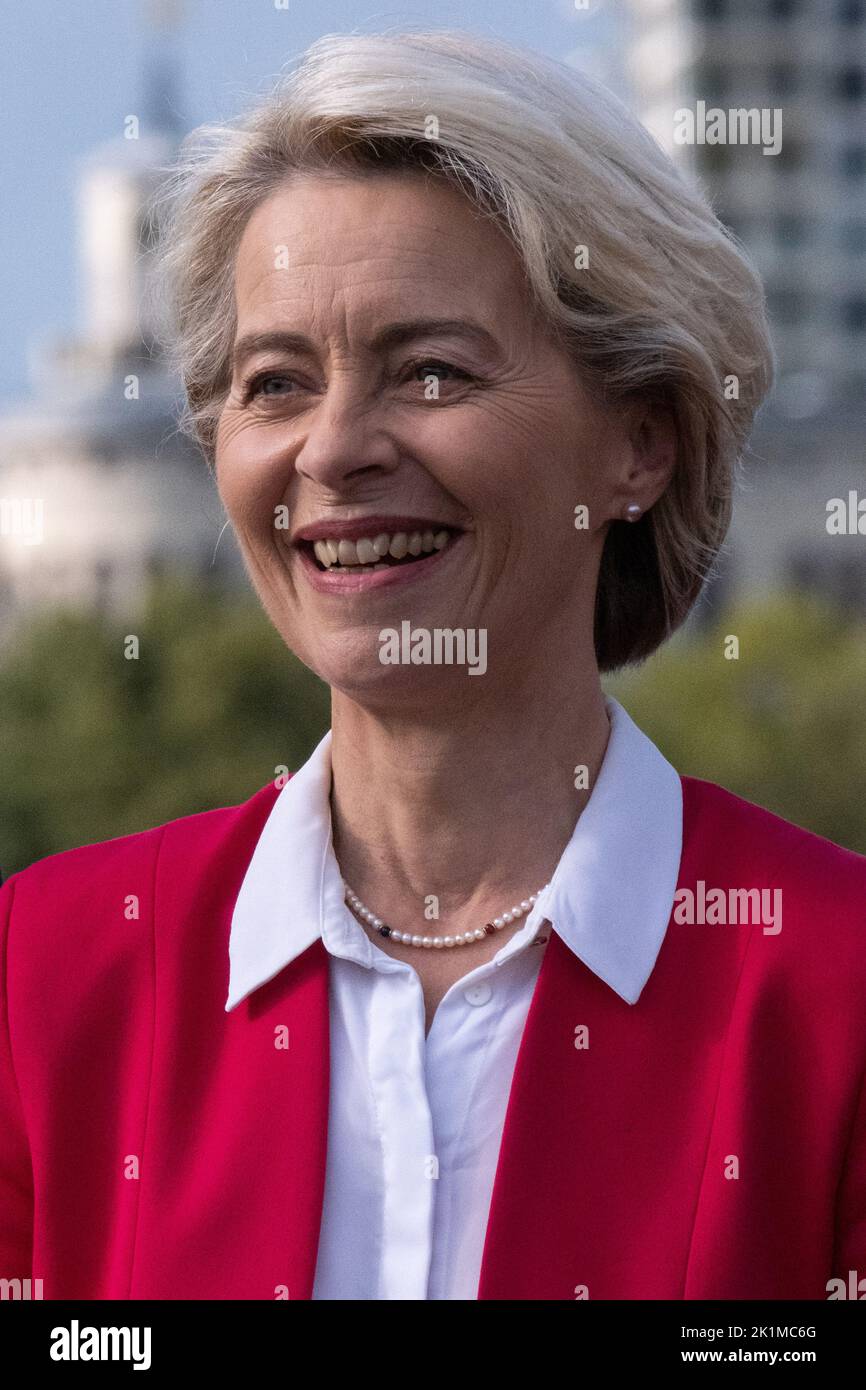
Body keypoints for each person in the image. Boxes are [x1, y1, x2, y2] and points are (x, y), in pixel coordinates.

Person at [2, 29, 864, 1301]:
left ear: (638, 442)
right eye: (275, 382)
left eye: (431, 372)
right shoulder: (45, 979)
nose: (334, 449)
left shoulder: (831, 993)